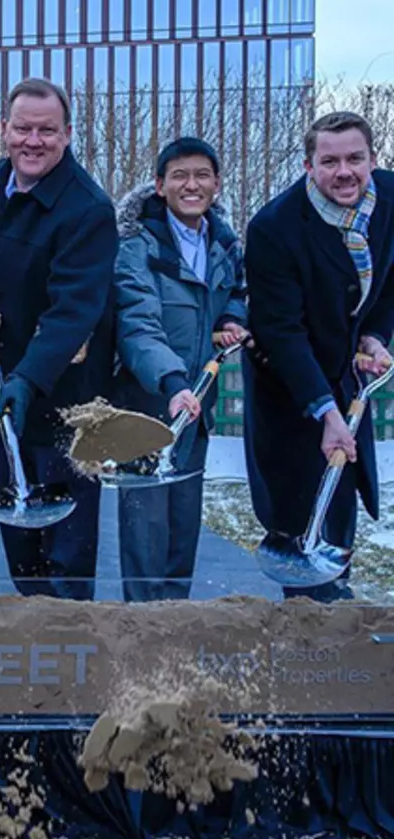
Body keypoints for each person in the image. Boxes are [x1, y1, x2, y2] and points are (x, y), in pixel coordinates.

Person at [0, 77, 116, 601]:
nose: (33, 141)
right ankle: (31, 640)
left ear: (66, 134)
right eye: (23, 129)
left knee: (67, 545)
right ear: (5, 130)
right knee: (20, 537)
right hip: (10, 388)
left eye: (46, 130)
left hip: (69, 399)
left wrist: (26, 380)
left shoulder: (87, 209)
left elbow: (73, 313)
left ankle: (70, 649)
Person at [244, 111, 394, 601]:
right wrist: (324, 409)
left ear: (373, 159)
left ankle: (337, 607)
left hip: (344, 370)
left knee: (341, 498)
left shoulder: (389, 200)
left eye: (355, 158)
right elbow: (281, 331)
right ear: (309, 165)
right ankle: (305, 624)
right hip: (288, 384)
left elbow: (389, 282)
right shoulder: (273, 227)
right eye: (329, 161)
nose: (344, 171)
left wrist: (374, 337)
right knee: (299, 507)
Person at [111, 137, 249, 602]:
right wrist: (171, 384)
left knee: (183, 527)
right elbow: (137, 324)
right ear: (159, 184)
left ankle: (177, 629)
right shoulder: (137, 246)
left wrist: (231, 318)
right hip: (150, 408)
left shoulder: (224, 243)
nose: (192, 185)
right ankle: (143, 631)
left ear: (216, 182)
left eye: (202, 175)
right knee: (145, 533)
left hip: (196, 409)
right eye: (180, 175)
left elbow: (236, 292)